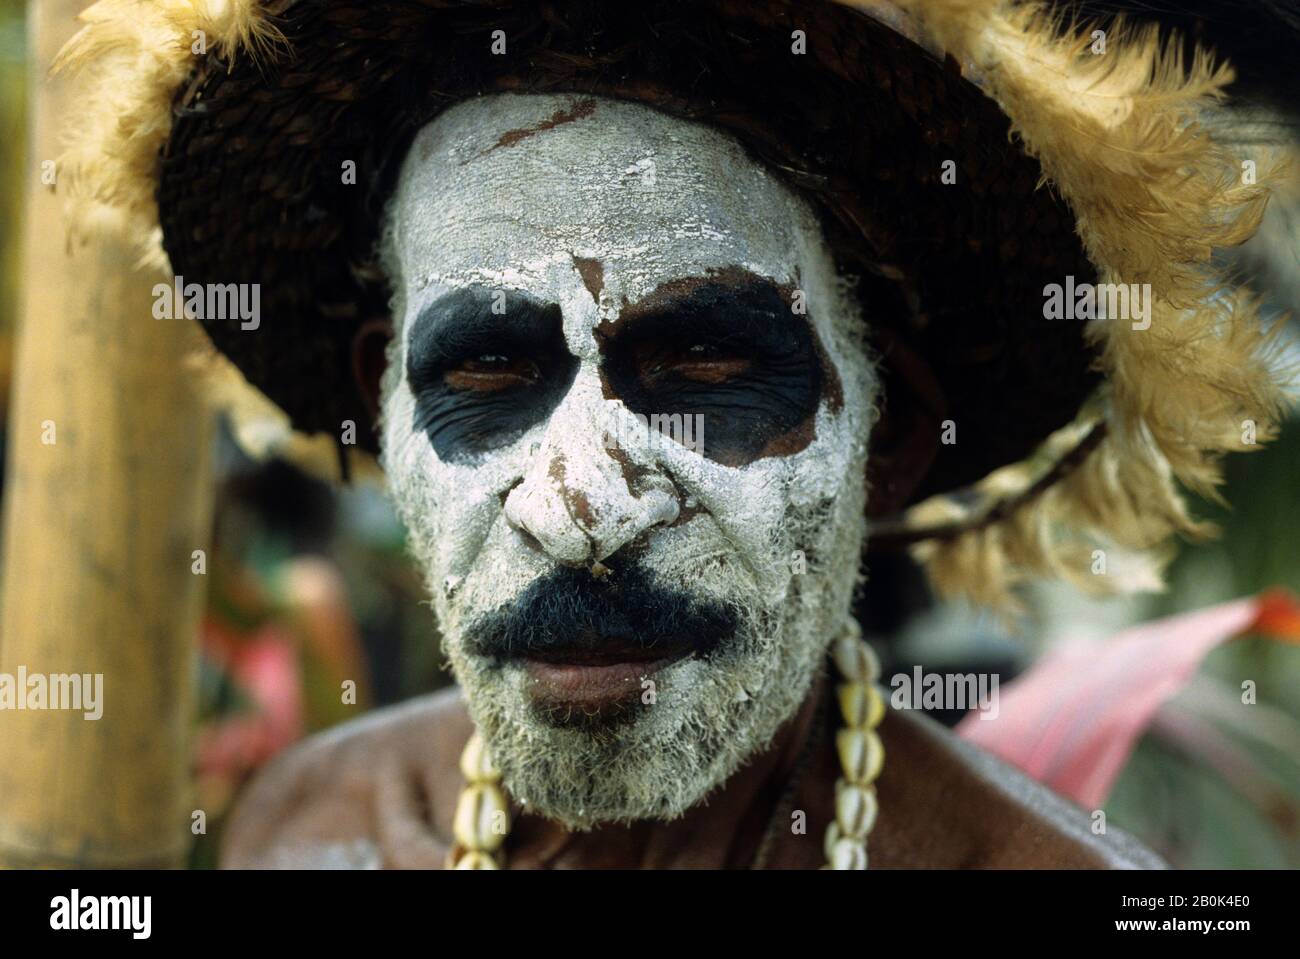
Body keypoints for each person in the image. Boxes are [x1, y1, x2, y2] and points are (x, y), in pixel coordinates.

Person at [59, 0, 1293, 868]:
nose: (577, 503)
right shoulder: (306, 831)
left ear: (892, 434)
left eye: (701, 365)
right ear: (384, 409)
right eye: (488, 372)